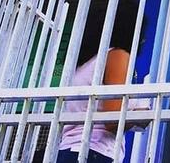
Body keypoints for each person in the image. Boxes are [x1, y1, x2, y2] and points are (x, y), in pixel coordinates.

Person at [57, 9, 146, 163]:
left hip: (68, 150)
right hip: (95, 151)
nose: (144, 39)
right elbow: (112, 120)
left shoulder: (85, 64)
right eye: (142, 32)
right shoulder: (117, 56)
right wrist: (142, 115)